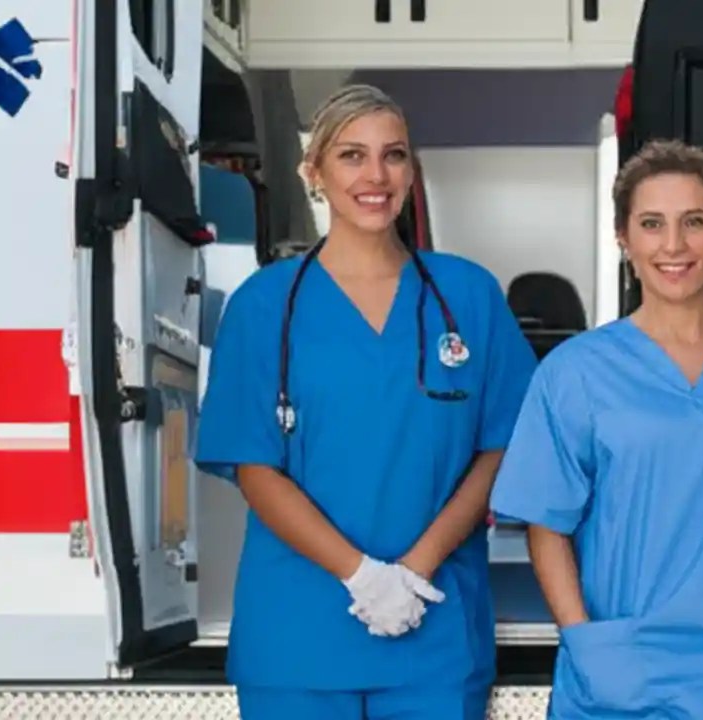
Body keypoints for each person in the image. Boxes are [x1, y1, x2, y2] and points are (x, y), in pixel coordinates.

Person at [194, 84, 538, 719]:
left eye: (394, 155)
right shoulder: (265, 305)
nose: (376, 176)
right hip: (298, 636)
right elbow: (253, 464)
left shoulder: (468, 295)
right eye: (352, 155)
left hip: (432, 632)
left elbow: (502, 446)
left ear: (412, 170)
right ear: (314, 171)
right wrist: (361, 575)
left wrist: (413, 570)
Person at [489, 139, 703, 719]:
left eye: (693, 222)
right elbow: (546, 527)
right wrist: (584, 641)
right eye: (652, 224)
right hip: (622, 676)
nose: (673, 245)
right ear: (624, 238)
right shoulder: (575, 372)